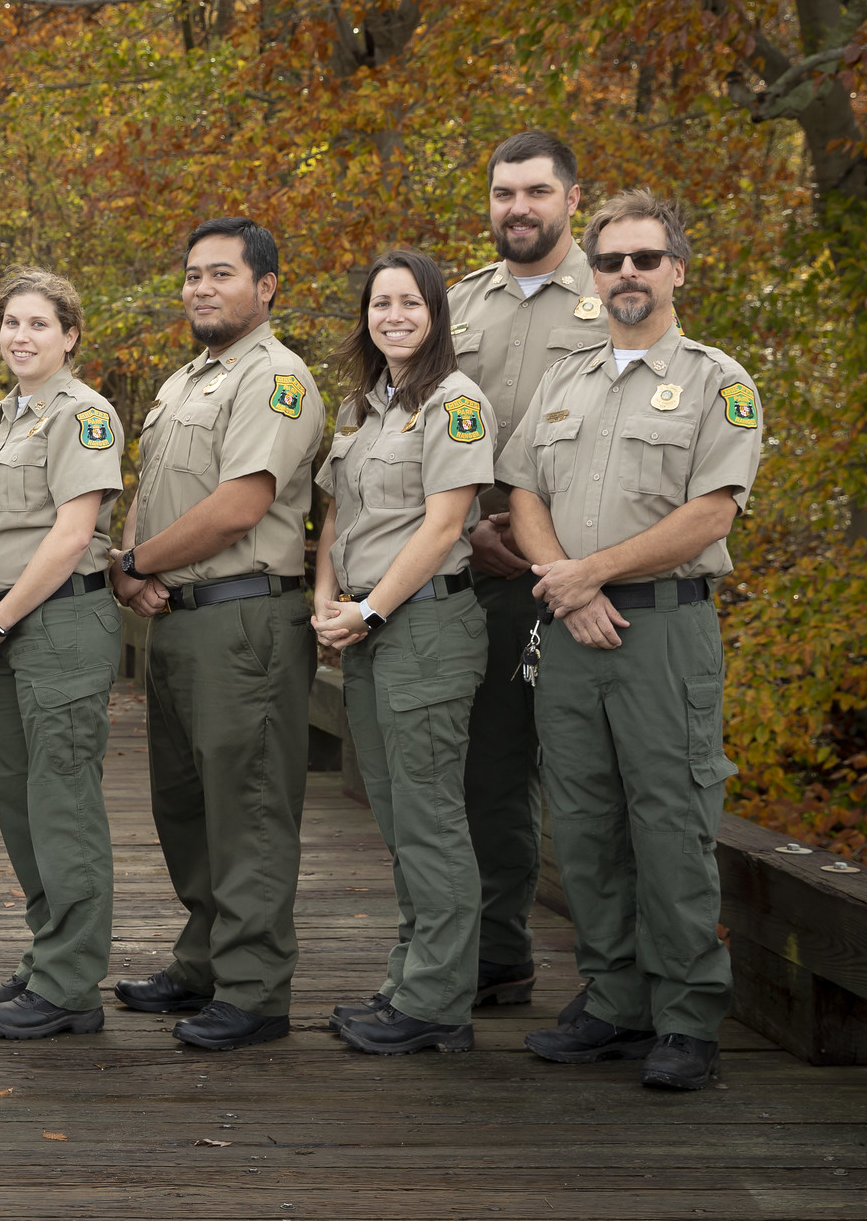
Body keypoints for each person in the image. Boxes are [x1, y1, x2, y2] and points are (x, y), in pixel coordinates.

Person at [498, 189, 763, 1092]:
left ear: (676, 270)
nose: (626, 274)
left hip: (662, 631)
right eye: (610, 260)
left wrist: (592, 573)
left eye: (645, 258)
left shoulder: (718, 381)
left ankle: (686, 1014)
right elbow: (524, 492)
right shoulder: (564, 381)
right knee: (582, 823)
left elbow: (711, 512)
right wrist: (564, 584)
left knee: (671, 823)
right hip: (572, 631)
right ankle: (614, 997)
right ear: (595, 274)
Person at [108, 217, 323, 1051]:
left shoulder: (275, 378)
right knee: (186, 803)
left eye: (221, 273)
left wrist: (137, 560)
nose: (201, 287)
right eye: (193, 273)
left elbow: (240, 505)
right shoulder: (186, 381)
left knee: (249, 805)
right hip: (179, 617)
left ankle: (255, 987)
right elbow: (154, 489)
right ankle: (204, 960)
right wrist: (132, 565)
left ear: (265, 287)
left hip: (244, 617)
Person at [312, 250, 496, 1056]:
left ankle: (439, 1002)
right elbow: (337, 514)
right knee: (394, 814)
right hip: (365, 627)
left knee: (430, 817)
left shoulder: (457, 402)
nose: (393, 316)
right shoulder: (363, 407)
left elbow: (444, 524)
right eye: (380, 302)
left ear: (436, 313)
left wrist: (370, 607)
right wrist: (327, 597)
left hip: (423, 627)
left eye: (410, 302)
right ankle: (410, 976)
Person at [447, 130, 606, 1008]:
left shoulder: (615, 293)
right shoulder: (457, 306)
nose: (519, 208)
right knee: (491, 771)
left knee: (590, 776)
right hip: (482, 571)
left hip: (584, 577)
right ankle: (496, 955)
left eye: (537, 192)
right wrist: (466, 529)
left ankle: (616, 979)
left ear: (573, 199)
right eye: (504, 193)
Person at [0, 269, 124, 1040]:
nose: (21, 336)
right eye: (11, 323)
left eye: (39, 324)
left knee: (63, 804)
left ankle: (71, 984)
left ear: (70, 334)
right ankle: (47, 952)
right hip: (4, 628)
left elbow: (71, 534)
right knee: (20, 803)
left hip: (59, 622)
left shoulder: (83, 415)